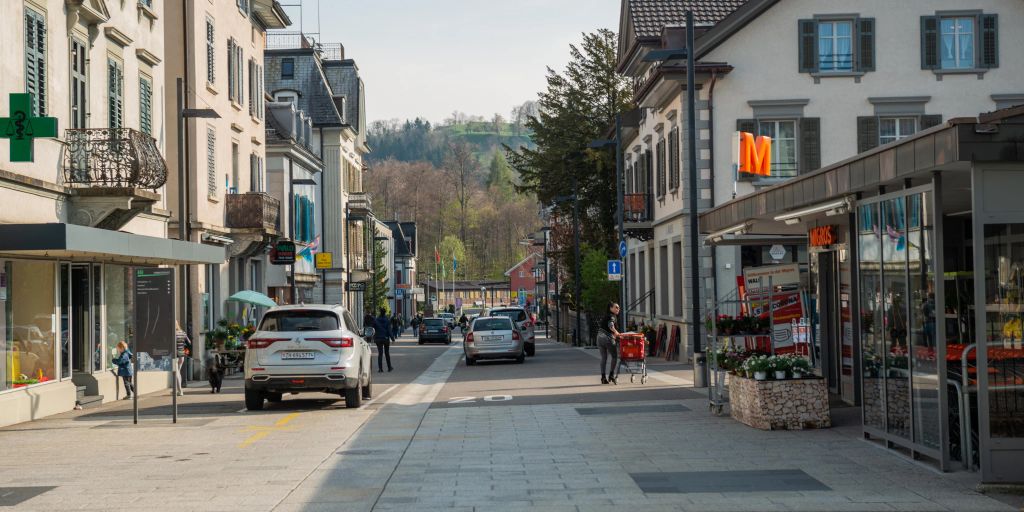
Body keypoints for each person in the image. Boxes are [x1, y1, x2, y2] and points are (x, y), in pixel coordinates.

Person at [598, 302, 623, 385]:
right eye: (616, 307)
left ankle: (603, 377)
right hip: (607, 338)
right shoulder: (612, 316)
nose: (618, 309)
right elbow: (611, 326)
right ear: (611, 308)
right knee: (614, 356)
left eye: (618, 308)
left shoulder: (606, 315)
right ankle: (611, 375)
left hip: (599, 337)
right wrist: (616, 333)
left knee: (603, 358)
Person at [174, 322, 192, 396]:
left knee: (176, 372)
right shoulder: (183, 332)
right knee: (178, 372)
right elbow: (189, 342)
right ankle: (179, 390)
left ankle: (180, 391)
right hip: (182, 354)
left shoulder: (173, 333)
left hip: (175, 355)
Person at [374, 308, 394, 372]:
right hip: (385, 338)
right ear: (385, 312)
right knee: (387, 353)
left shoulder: (376, 320)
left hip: (378, 338)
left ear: (380, 312)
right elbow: (389, 330)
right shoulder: (387, 320)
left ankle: (380, 369)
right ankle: (389, 367)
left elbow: (374, 329)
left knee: (380, 353)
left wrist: (374, 337)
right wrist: (392, 338)